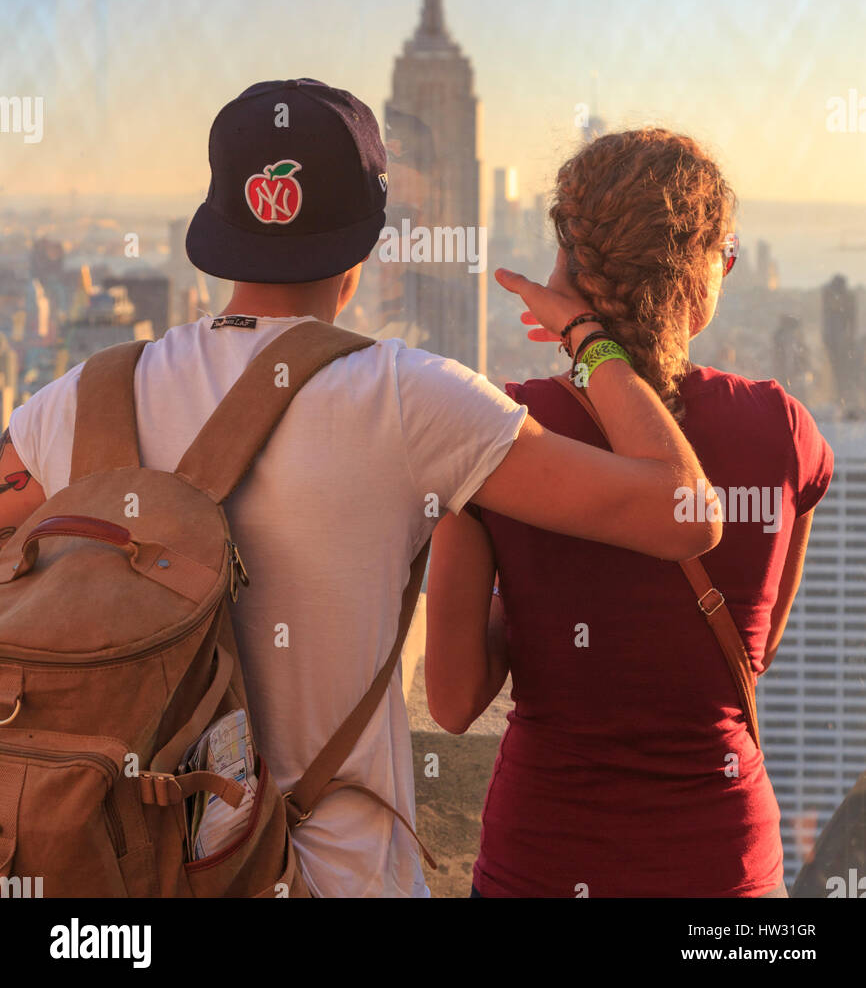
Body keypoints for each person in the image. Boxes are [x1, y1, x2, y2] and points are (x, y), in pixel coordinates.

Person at [0, 83, 719, 899]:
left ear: (218, 230)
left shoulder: (80, 400)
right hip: (339, 879)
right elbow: (684, 513)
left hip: (117, 875)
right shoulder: (409, 399)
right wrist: (586, 338)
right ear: (366, 243)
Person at [425, 127, 834, 899]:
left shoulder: (501, 432)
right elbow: (755, 649)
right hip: (726, 872)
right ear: (701, 277)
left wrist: (540, 593)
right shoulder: (783, 430)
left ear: (568, 273)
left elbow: (450, 700)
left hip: (544, 864)